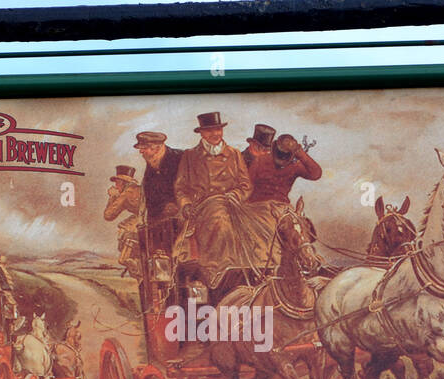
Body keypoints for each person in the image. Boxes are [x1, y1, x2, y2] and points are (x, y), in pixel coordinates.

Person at [173, 112, 274, 296]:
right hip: (203, 207)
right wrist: (186, 204)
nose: (215, 134)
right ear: (202, 133)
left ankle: (262, 270)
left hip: (233, 204)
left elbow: (245, 185)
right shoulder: (190, 156)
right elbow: (181, 188)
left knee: (263, 224)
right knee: (220, 222)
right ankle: (216, 271)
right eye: (210, 130)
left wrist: (236, 194)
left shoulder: (234, 154)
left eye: (218, 129)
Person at [134, 131, 184, 282]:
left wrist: (175, 205)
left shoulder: (180, 159)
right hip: (159, 223)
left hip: (182, 218)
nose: (141, 151)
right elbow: (150, 200)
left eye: (144, 148)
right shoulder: (150, 167)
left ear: (157, 147)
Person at [247, 133, 322, 205]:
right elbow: (248, 184)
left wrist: (302, 155)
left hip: (281, 208)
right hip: (257, 206)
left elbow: (316, 174)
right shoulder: (260, 160)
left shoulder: (295, 166)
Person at [103, 165, 145, 278]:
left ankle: (134, 263)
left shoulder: (126, 193)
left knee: (125, 230)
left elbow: (108, 215)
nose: (116, 186)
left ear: (123, 182)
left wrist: (112, 197)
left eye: (117, 183)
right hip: (151, 222)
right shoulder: (140, 189)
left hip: (143, 225)